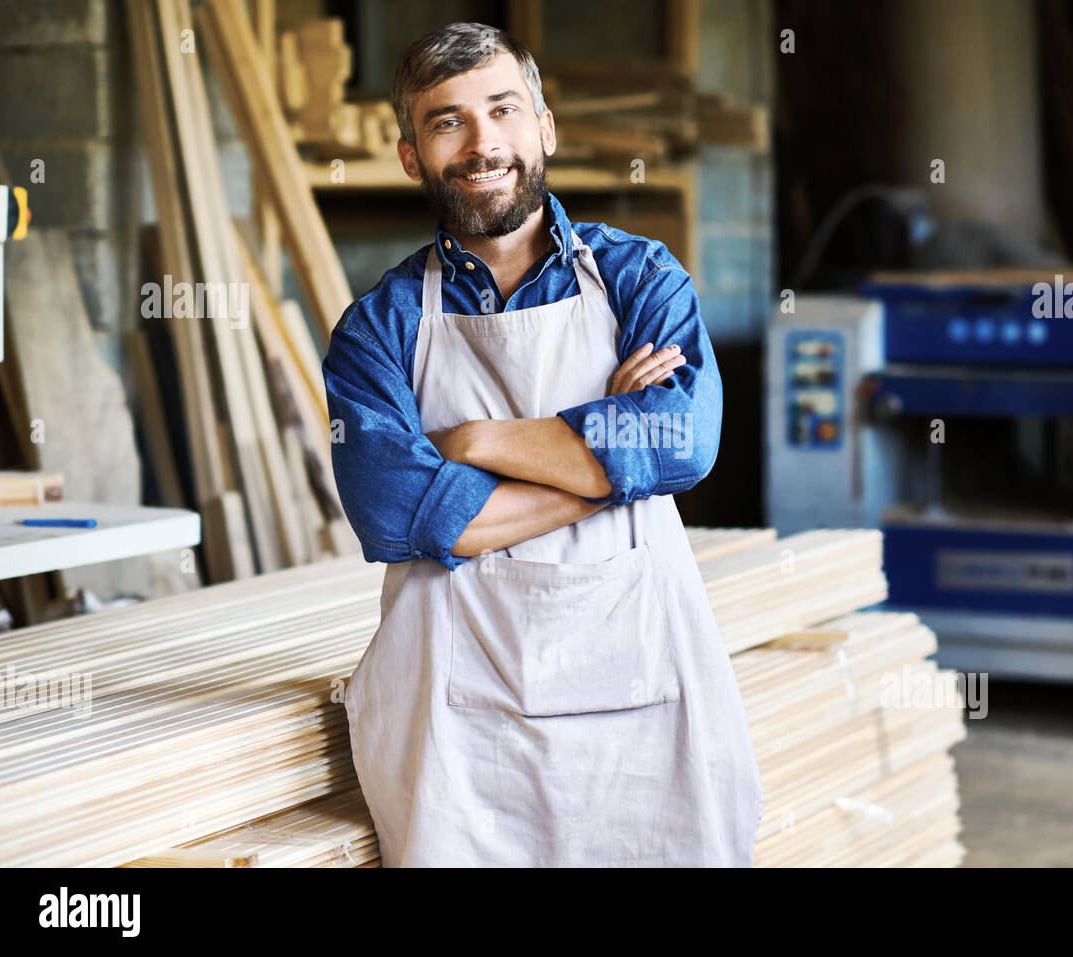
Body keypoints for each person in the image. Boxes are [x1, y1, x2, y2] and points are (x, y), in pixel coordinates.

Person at [321, 21, 765, 866]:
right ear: (412, 155)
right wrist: (612, 463)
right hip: (458, 744)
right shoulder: (377, 330)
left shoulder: (640, 278)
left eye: (503, 109)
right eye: (447, 121)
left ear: (544, 128)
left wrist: (472, 439)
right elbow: (402, 511)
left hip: (648, 722)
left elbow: (682, 444)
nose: (483, 142)